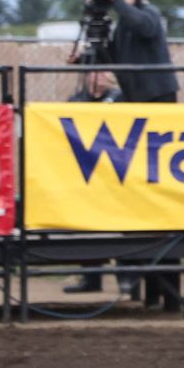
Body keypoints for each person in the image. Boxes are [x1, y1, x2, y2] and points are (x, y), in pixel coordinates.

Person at [60, 69, 126, 294]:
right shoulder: (77, 99)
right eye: (96, 72)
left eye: (105, 72)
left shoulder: (119, 97)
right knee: (87, 225)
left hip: (115, 170)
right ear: (87, 75)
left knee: (123, 224)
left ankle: (125, 279)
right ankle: (91, 279)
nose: (101, 76)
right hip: (86, 171)